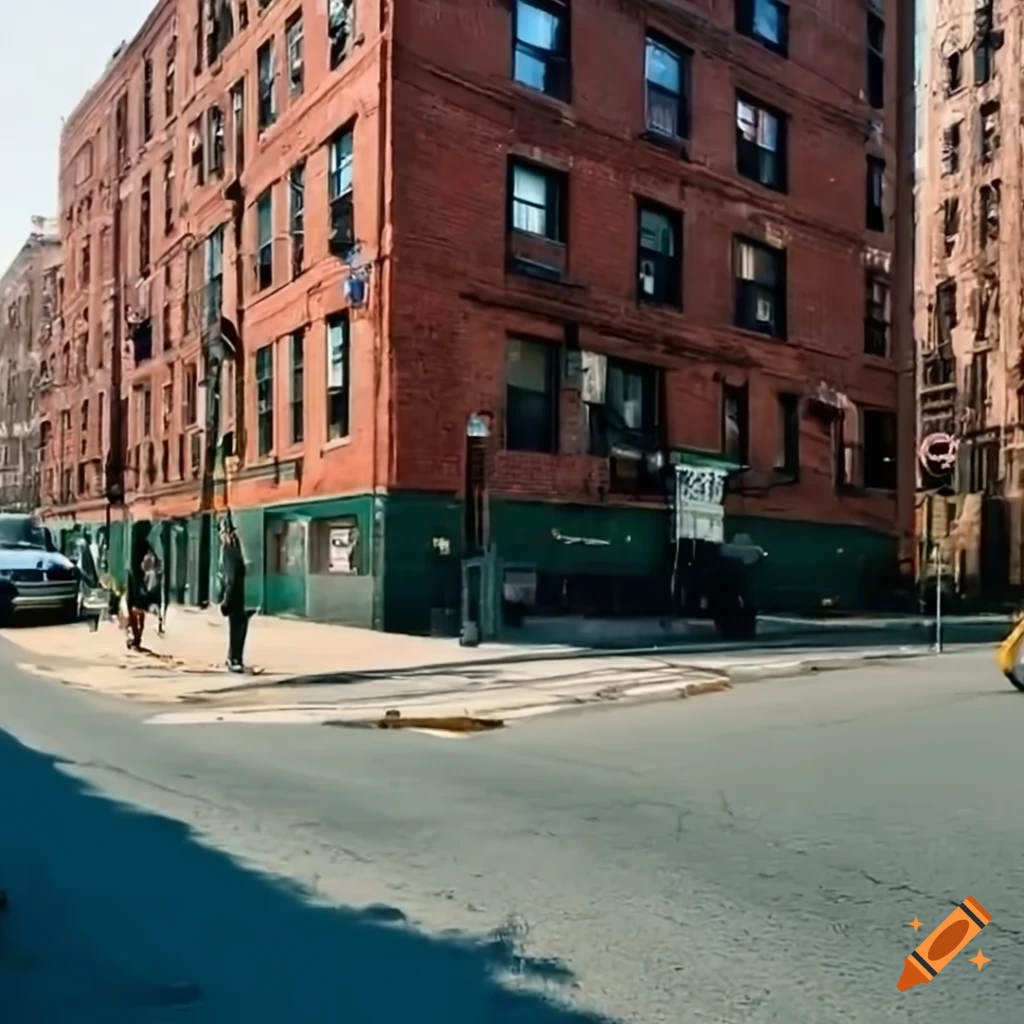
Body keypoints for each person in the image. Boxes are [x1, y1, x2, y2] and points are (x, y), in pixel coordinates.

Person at [218, 521, 251, 673]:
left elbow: (231, 577)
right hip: (239, 596)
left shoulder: (229, 551)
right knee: (238, 630)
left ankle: (234, 658)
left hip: (237, 597)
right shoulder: (234, 550)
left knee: (237, 629)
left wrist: (226, 600)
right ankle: (234, 658)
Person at [125, 530, 156, 651]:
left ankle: (136, 635)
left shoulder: (134, 545)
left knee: (133, 609)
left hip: (137, 578)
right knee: (139, 610)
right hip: (140, 581)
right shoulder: (147, 546)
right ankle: (137, 635)